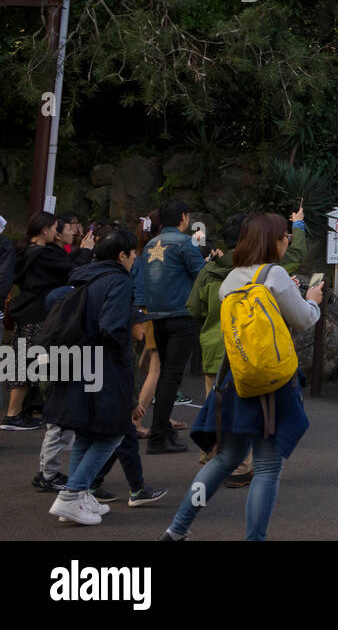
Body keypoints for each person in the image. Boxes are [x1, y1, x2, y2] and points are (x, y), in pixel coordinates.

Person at [161, 213, 322, 541]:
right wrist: (313, 300)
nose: (287, 240)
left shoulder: (231, 279)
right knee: (266, 469)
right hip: (272, 381)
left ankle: (177, 529)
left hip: (236, 378)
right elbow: (304, 319)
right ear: (271, 241)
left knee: (223, 460)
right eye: (283, 236)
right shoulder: (275, 273)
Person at [186, 206, 307, 483]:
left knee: (216, 404)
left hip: (215, 347)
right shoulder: (264, 270)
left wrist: (210, 325)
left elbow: (193, 307)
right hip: (250, 352)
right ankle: (242, 469)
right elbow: (297, 258)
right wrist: (298, 226)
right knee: (251, 414)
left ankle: (213, 455)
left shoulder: (210, 270)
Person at [44, 224, 139, 526]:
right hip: (106, 366)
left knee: (86, 430)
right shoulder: (119, 282)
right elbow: (113, 328)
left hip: (79, 362)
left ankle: (80, 491)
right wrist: (127, 344)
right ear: (123, 255)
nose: (135, 259)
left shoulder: (85, 276)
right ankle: (71, 495)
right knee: (113, 431)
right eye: (134, 253)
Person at [3, 212, 93, 430]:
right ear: (44, 230)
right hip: (38, 312)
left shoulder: (24, 250)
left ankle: (16, 412)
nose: (56, 231)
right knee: (33, 364)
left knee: (22, 361)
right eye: (54, 227)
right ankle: (14, 414)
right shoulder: (42, 254)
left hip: (25, 310)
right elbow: (68, 269)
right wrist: (85, 252)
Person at [132, 199, 205, 453]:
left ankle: (161, 432)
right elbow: (201, 275)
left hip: (157, 316)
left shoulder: (151, 243)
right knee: (171, 376)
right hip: (181, 315)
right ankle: (159, 436)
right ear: (184, 217)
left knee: (166, 374)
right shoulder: (185, 243)